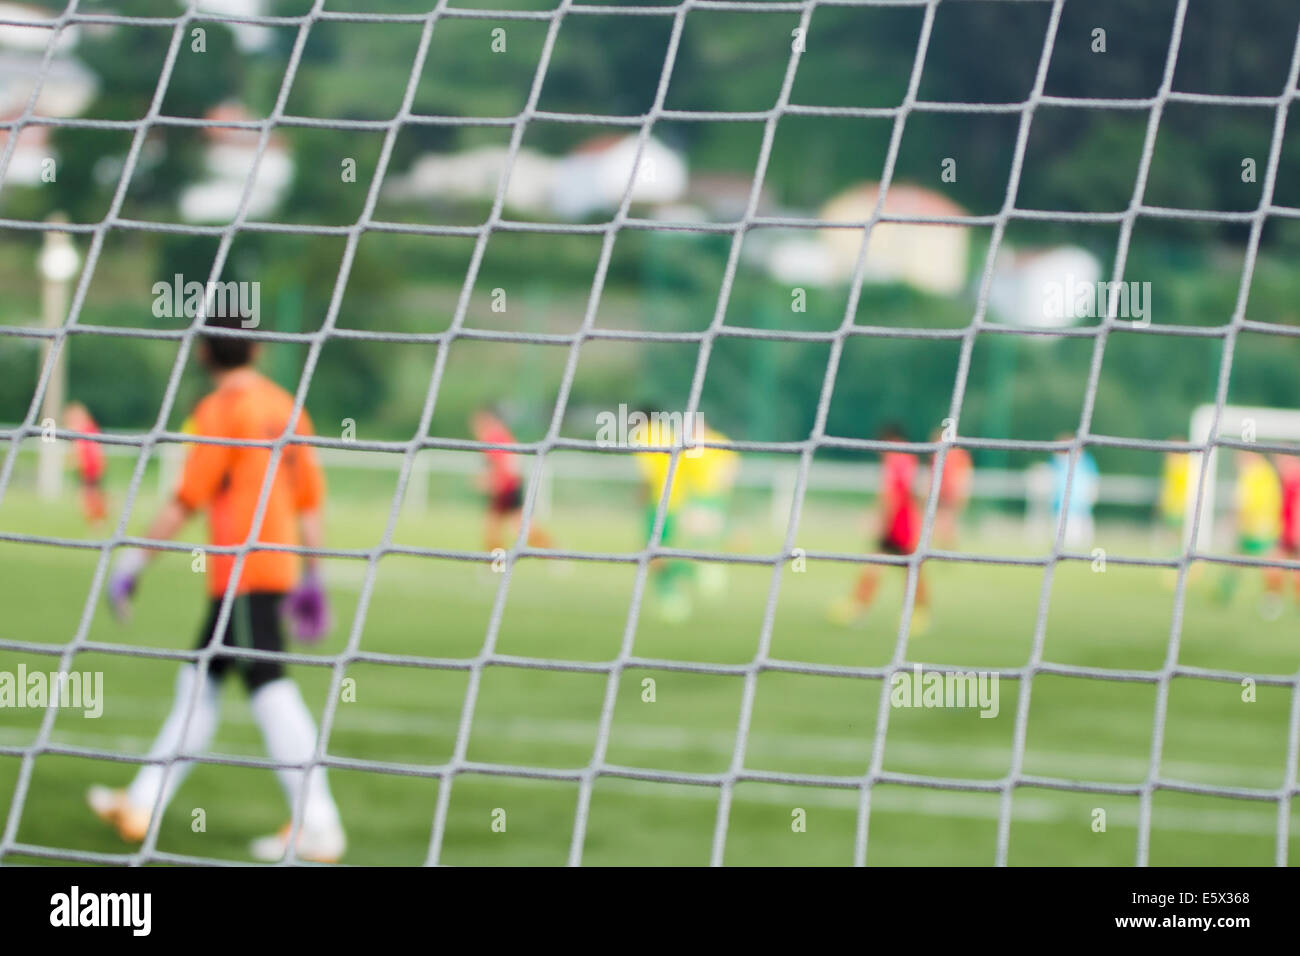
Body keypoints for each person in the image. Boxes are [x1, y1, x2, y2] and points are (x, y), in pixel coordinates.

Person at [87, 310, 345, 863]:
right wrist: (314, 574)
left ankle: (320, 825)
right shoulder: (285, 407)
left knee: (269, 688)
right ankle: (142, 801)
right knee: (199, 685)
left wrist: (135, 562)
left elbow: (187, 498)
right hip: (267, 571)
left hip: (245, 571)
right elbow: (310, 500)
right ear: (256, 351)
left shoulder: (222, 410)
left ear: (203, 355)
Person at [829, 424, 930, 633]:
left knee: (905, 568)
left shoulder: (896, 458)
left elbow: (892, 495)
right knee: (889, 566)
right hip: (905, 523)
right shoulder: (909, 457)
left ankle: (915, 613)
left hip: (898, 526)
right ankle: (860, 607)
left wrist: (879, 519)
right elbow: (916, 492)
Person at [632, 410, 693, 623]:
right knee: (657, 551)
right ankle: (671, 593)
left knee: (653, 553)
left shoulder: (643, 435)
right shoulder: (668, 432)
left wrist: (641, 497)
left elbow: (647, 472)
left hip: (658, 501)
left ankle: (683, 580)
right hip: (675, 498)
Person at [469, 408, 552, 554]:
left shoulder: (493, 436)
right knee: (494, 528)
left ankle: (553, 553)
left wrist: (489, 480)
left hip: (507, 488)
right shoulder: (497, 434)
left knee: (517, 528)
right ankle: (496, 566)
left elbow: (504, 464)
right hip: (507, 487)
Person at [1218, 449, 1283, 618]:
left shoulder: (1257, 473)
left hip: (1261, 528)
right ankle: (1225, 594)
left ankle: (1272, 600)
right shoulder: (1260, 472)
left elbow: (1247, 501)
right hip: (1253, 526)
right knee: (1237, 560)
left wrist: (1236, 520)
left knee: (1269, 565)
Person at [678, 422, 740, 598]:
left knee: (709, 536)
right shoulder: (689, 446)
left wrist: (725, 486)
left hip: (713, 497)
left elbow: (730, 466)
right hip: (694, 496)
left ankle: (711, 573)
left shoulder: (718, 442)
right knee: (697, 536)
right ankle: (703, 572)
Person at [1049, 436, 1099, 550]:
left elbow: (1091, 480)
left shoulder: (1085, 461)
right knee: (1064, 536)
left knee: (1080, 535)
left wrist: (1091, 495)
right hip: (1063, 505)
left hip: (1080, 504)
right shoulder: (1060, 461)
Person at [64, 401, 107, 526]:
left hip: (90, 467)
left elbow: (82, 449)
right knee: (90, 496)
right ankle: (98, 520)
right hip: (91, 467)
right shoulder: (89, 428)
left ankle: (98, 520)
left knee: (87, 497)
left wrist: (73, 461)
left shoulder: (84, 429)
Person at [929, 429, 972, 550]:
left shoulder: (950, 451)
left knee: (946, 519)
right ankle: (946, 545)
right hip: (946, 489)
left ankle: (946, 545)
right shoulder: (956, 451)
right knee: (946, 519)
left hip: (947, 490)